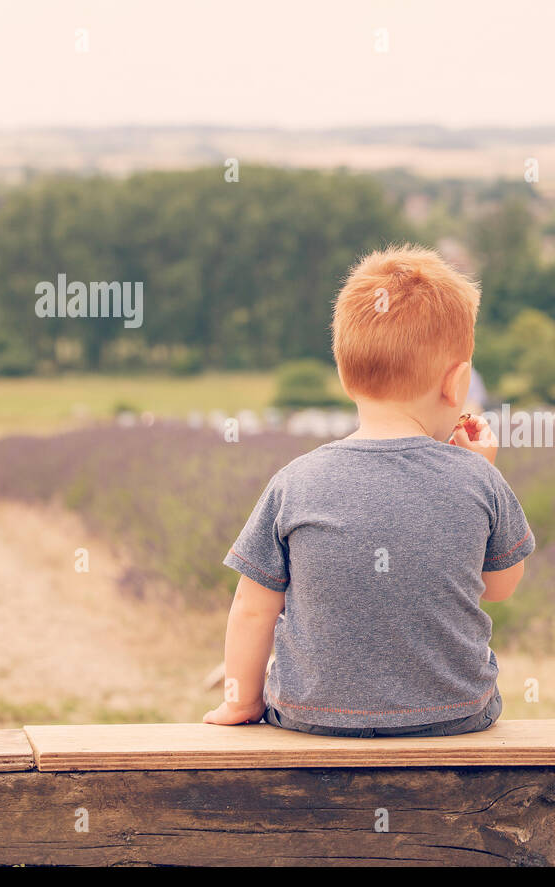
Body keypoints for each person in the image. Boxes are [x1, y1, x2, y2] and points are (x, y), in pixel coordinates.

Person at [204, 245, 534, 736]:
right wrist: (474, 471)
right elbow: (501, 587)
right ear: (458, 383)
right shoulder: (480, 479)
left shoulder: (294, 482)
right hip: (453, 716)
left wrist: (242, 702)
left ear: (345, 374)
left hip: (311, 718)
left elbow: (252, 607)